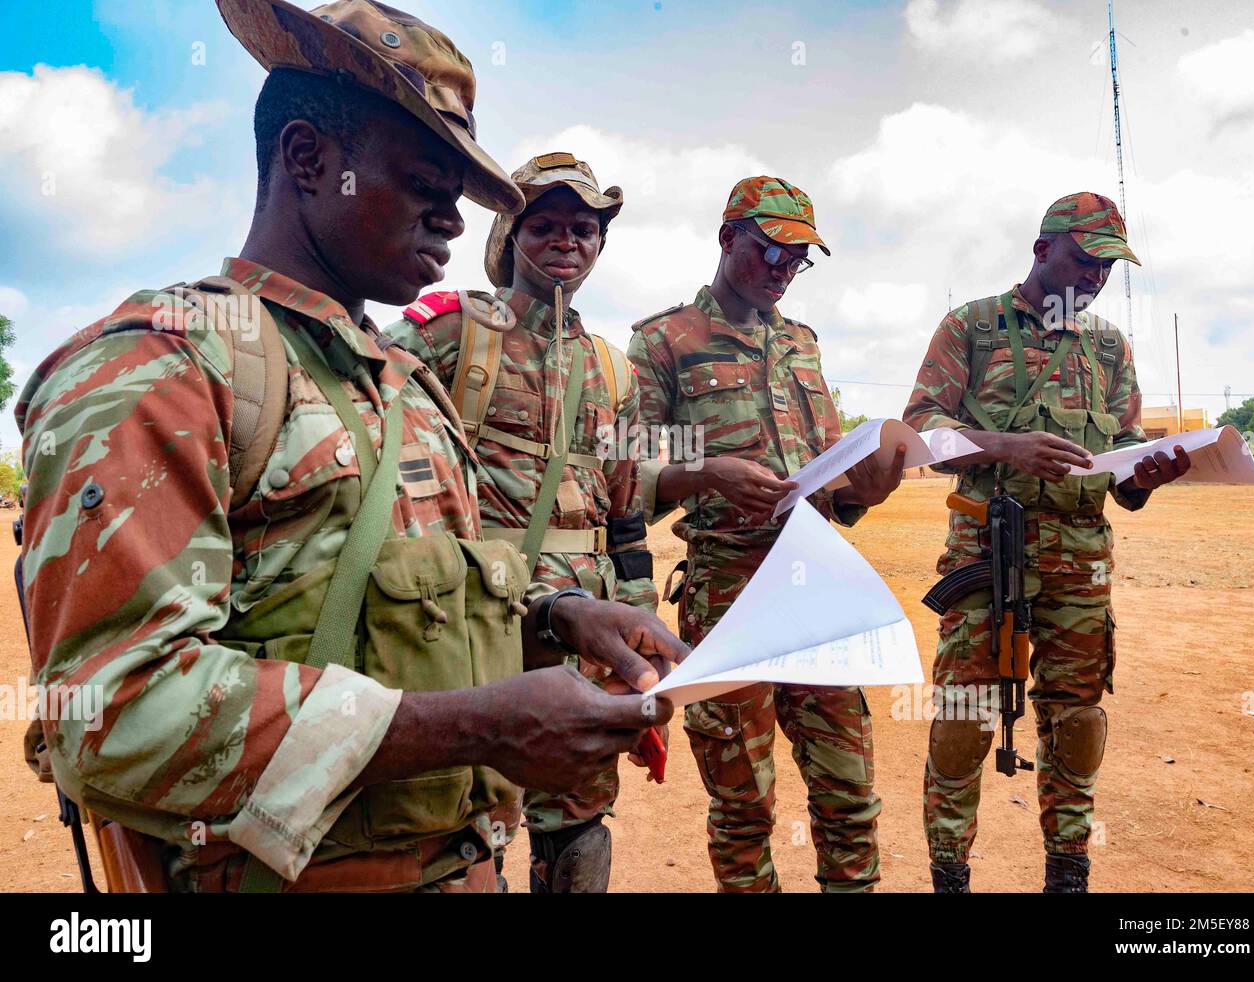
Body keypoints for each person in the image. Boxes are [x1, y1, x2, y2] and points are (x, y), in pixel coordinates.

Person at [15, 0, 682, 894]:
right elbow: (109, 717)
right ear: (308, 159)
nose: (452, 222)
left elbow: (407, 603)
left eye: (459, 199)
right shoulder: (164, 366)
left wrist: (555, 617)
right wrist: (473, 728)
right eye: (425, 185)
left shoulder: (399, 381)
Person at [385, 152, 658, 892]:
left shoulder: (613, 368)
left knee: (578, 824)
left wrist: (640, 633)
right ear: (509, 234)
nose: (566, 240)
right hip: (476, 626)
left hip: (589, 636)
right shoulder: (451, 332)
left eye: (584, 229)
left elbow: (626, 517)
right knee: (469, 824)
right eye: (545, 225)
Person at [902, 191, 1190, 893]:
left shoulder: (1109, 346)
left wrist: (1147, 474)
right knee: (963, 721)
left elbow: (1121, 463)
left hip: (1080, 567)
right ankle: (950, 874)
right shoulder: (971, 326)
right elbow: (919, 434)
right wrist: (1005, 446)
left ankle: (1068, 873)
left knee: (1077, 720)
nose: (1095, 278)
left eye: (1108, 268)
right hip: (984, 556)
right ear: (1041, 250)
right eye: (1084, 261)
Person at [626, 176, 905, 893]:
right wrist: (707, 472)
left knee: (849, 792)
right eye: (771, 251)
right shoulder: (664, 341)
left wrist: (864, 490)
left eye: (798, 259)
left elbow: (828, 474)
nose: (784, 271)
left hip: (818, 585)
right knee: (743, 804)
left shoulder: (802, 345)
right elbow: (623, 467)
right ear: (727, 239)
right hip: (727, 595)